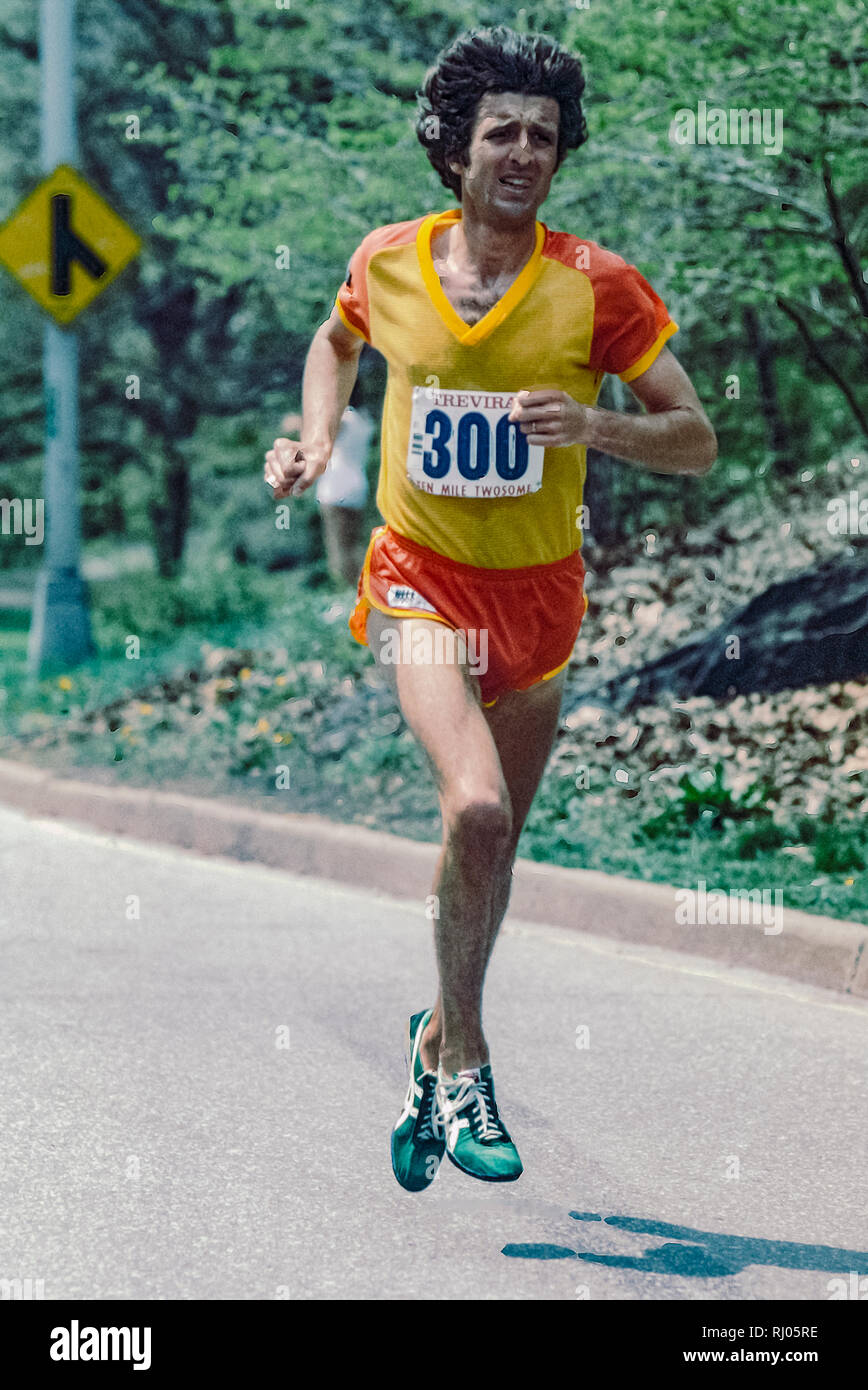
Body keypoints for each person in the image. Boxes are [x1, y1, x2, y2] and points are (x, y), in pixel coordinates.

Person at [264, 25, 717, 1191]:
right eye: (500, 132)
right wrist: (314, 441)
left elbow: (697, 438)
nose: (524, 151)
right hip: (421, 576)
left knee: (495, 837)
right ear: (452, 149)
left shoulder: (595, 285)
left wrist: (599, 426)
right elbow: (334, 341)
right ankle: (464, 1056)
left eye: (543, 136)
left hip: (541, 600)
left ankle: (430, 1037)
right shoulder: (390, 261)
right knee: (472, 809)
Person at [280, 389, 373, 586]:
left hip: (336, 489)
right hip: (358, 487)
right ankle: (362, 590)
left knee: (339, 551)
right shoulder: (363, 418)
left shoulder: (346, 419)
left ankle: (350, 592)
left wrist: (296, 422)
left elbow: (319, 431)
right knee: (355, 546)